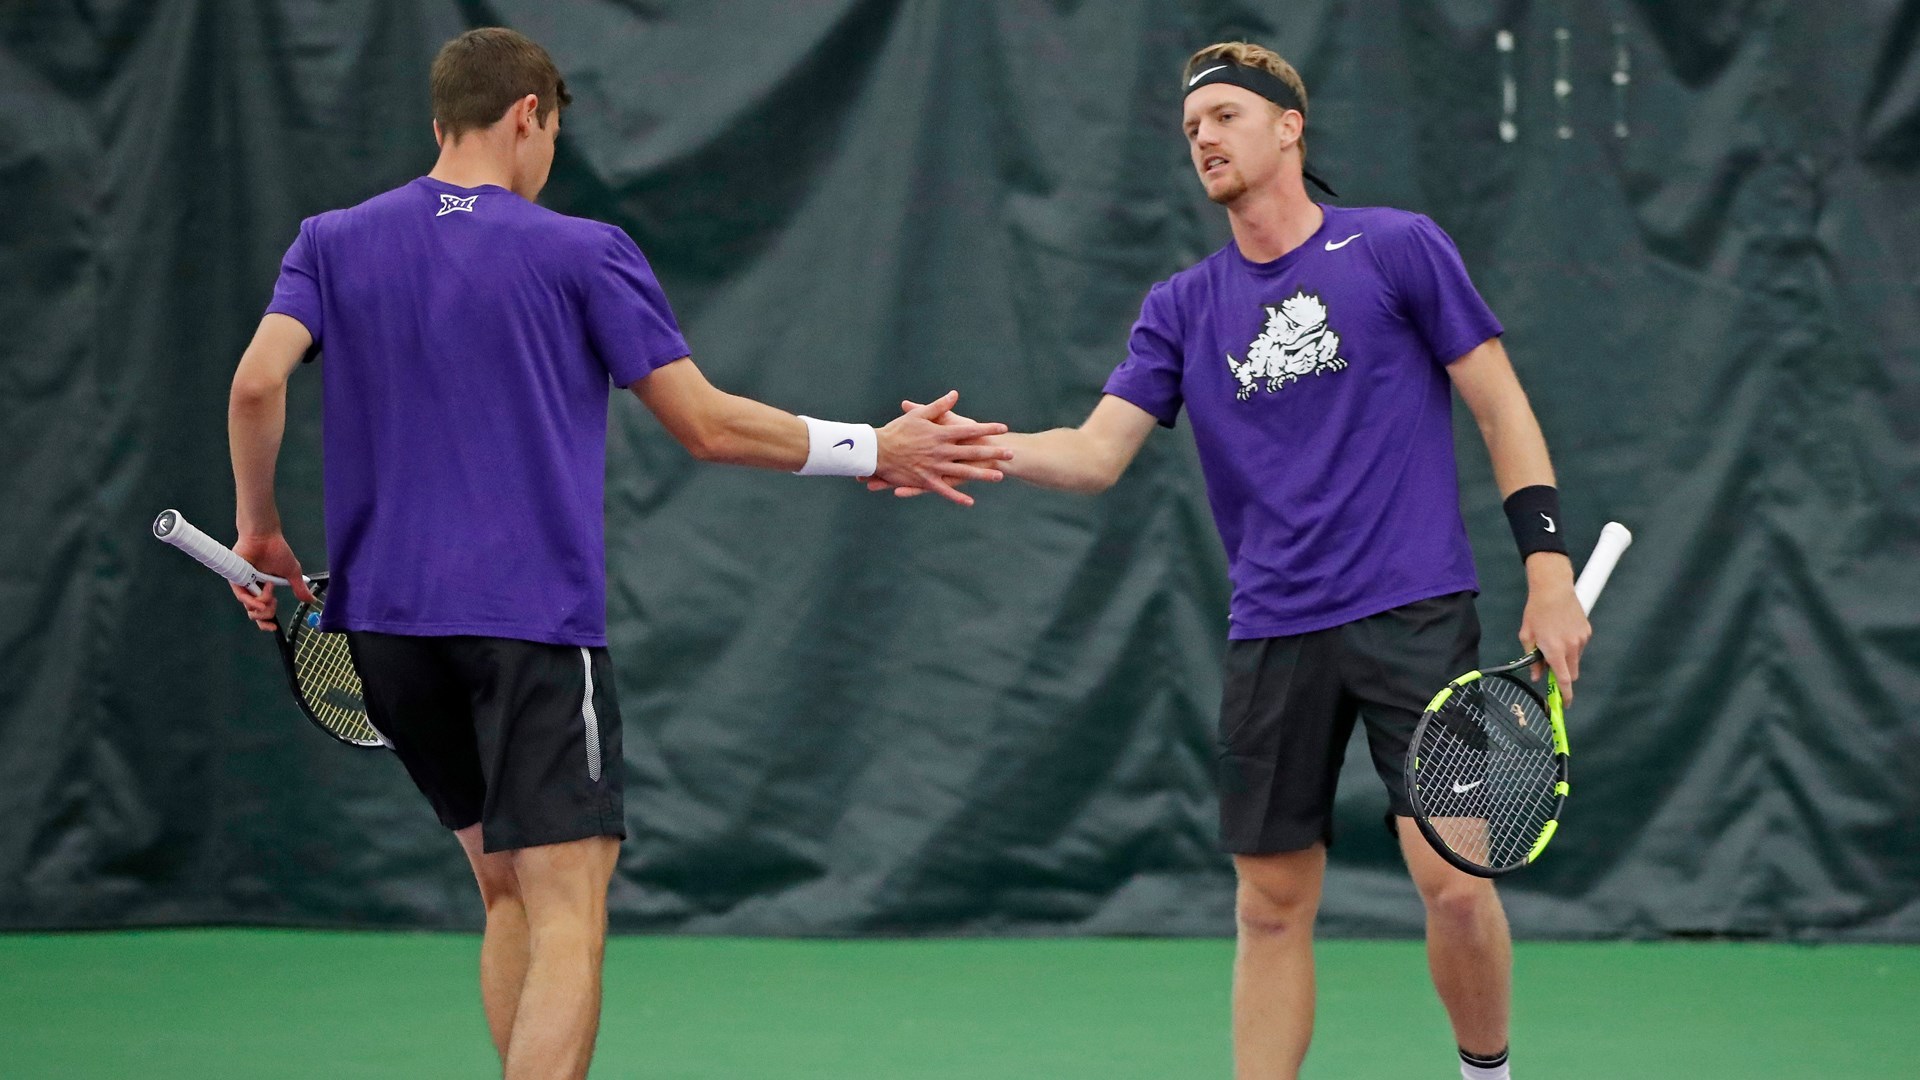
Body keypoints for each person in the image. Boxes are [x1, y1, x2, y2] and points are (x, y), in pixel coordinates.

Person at [224, 27, 1010, 1080]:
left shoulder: (330, 240)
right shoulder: (582, 251)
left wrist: (259, 528)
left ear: (437, 122)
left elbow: (255, 384)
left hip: (386, 634)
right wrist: (874, 446)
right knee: (568, 916)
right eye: (549, 133)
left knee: (504, 893)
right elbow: (706, 425)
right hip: (531, 631)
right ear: (528, 118)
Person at [874, 40, 1590, 1080]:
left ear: (1288, 126)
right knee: (1268, 906)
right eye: (1191, 128)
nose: (1202, 137)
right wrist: (975, 447)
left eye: (1223, 116)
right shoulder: (1182, 307)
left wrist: (1549, 569)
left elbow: (1501, 405)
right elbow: (1094, 453)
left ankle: (1488, 1075)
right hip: (1273, 630)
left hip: (1413, 612)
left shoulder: (1397, 248)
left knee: (1454, 883)